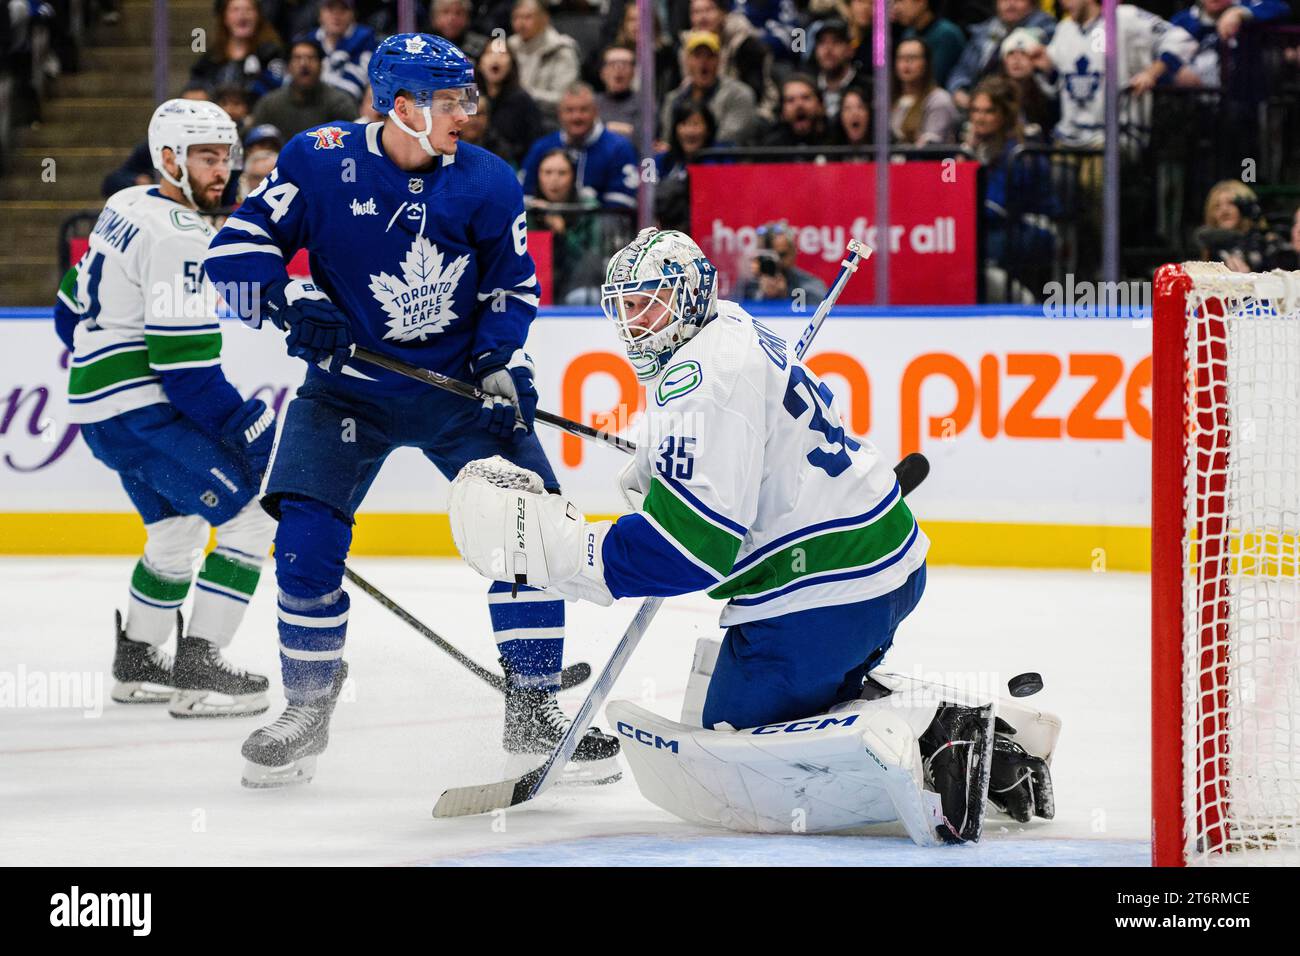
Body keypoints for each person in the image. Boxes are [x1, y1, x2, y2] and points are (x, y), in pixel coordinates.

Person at [445, 228, 1034, 844]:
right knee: (762, 705)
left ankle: (936, 744)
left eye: (650, 303)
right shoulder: (726, 323)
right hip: (886, 559)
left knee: (735, 749)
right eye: (623, 307)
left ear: (690, 296)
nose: (635, 323)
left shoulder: (704, 382)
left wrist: (571, 553)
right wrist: (664, 461)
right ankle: (934, 724)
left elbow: (694, 552)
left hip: (826, 592)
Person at [203, 33, 621, 788]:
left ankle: (532, 713)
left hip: (460, 394)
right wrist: (288, 295)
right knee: (303, 540)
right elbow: (233, 251)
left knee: (529, 531)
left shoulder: (489, 181)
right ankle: (307, 707)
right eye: (453, 99)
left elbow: (512, 290)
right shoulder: (318, 159)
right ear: (403, 105)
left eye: (467, 96)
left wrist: (500, 360)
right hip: (345, 391)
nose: (468, 110)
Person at [54, 100, 276, 719]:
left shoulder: (124, 207)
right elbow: (185, 371)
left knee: (176, 533)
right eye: (208, 157)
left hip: (102, 412)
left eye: (227, 158)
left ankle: (138, 662)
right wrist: (248, 432)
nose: (223, 172)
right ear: (169, 158)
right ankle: (199, 671)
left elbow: (66, 309)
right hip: (143, 413)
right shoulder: (180, 236)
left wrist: (102, 359)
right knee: (251, 522)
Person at [1031, 0, 1196, 147]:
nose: (1063, 3)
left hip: (1117, 135)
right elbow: (1055, 86)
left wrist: (1152, 73)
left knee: (1093, 176)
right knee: (1054, 173)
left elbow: (1181, 39)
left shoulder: (1125, 17)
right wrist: (1045, 67)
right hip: (1070, 135)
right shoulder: (1064, 28)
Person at [520, 82, 639, 211]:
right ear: (559, 114)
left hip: (599, 228)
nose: (576, 117)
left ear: (595, 111)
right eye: (569, 110)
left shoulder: (619, 148)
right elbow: (523, 196)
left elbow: (621, 207)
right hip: (546, 227)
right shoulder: (542, 147)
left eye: (583, 110)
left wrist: (582, 221)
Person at [524, 148, 603, 302]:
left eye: (562, 173)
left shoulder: (588, 209)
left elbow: (592, 260)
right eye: (547, 172)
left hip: (577, 286)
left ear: (573, 177)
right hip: (538, 287)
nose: (554, 179)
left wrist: (563, 232)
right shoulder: (527, 212)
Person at [946, 0, 1056, 110]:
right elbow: (962, 70)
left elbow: (1053, 81)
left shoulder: (1048, 32)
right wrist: (960, 92)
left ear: (1033, 3)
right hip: (978, 104)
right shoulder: (985, 30)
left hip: (1028, 108)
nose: (1010, 4)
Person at [660, 30, 757, 146]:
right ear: (687, 60)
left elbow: (730, 139)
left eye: (710, 56)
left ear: (720, 60)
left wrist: (688, 147)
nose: (703, 62)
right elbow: (667, 141)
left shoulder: (739, 94)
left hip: (725, 162)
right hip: (681, 163)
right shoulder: (673, 99)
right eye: (697, 55)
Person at [250, 37, 359, 138]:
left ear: (321, 66)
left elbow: (355, 139)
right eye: (297, 58)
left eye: (311, 58)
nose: (304, 64)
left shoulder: (339, 103)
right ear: (288, 67)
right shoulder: (269, 105)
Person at [189, 0, 285, 101]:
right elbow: (195, 83)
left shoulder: (271, 53)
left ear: (258, 17)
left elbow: (276, 89)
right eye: (235, 10)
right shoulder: (212, 56)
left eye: (248, 10)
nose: (242, 15)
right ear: (224, 18)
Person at [507, 0, 581, 124]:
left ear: (545, 18)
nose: (520, 23)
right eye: (516, 17)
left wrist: (524, 95)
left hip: (549, 119)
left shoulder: (562, 49)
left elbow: (564, 99)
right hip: (514, 116)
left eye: (527, 17)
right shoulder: (509, 46)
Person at [653, 101, 720, 232]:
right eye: (684, 124)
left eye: (696, 124)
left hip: (711, 231)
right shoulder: (663, 160)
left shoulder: (719, 157)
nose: (690, 131)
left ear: (708, 128)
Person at [477, 42, 543, 167]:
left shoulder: (523, 101)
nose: (495, 58)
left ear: (512, 64)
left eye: (502, 54)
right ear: (480, 63)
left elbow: (533, 145)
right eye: (489, 53)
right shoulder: (469, 98)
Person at [737, 220, 828, 304]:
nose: (774, 262)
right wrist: (760, 295)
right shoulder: (745, 288)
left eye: (781, 255)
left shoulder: (810, 285)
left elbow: (819, 311)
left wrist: (787, 294)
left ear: (792, 253)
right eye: (767, 257)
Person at [890, 38, 960, 146]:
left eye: (913, 58)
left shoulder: (939, 100)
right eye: (901, 58)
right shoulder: (889, 99)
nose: (906, 63)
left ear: (926, 63)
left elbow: (932, 148)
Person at [312, 0, 379, 105]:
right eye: (330, 9)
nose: (336, 15)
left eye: (343, 9)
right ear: (320, 13)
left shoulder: (365, 40)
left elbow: (355, 87)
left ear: (352, 14)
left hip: (350, 108)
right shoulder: (309, 40)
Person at [890, 0, 967, 88]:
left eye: (901, 1)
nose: (896, 8)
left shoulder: (946, 35)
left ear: (921, 2)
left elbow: (934, 79)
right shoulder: (908, 34)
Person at [758, 73, 832, 147]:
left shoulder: (836, 140)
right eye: (790, 100)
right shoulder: (771, 147)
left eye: (806, 97)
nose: (799, 105)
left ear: (820, 105)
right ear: (782, 112)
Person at [811, 18, 860, 123]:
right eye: (822, 43)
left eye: (836, 42)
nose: (828, 49)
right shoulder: (810, 88)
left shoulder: (866, 88)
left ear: (850, 50)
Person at [595, 45, 643, 145]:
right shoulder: (592, 104)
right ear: (602, 72)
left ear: (634, 72)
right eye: (612, 64)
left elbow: (642, 140)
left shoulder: (646, 105)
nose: (618, 69)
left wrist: (605, 128)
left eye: (625, 64)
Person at [829, 84, 872, 148]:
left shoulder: (888, 151)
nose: (855, 113)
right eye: (847, 108)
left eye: (861, 107)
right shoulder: (828, 151)